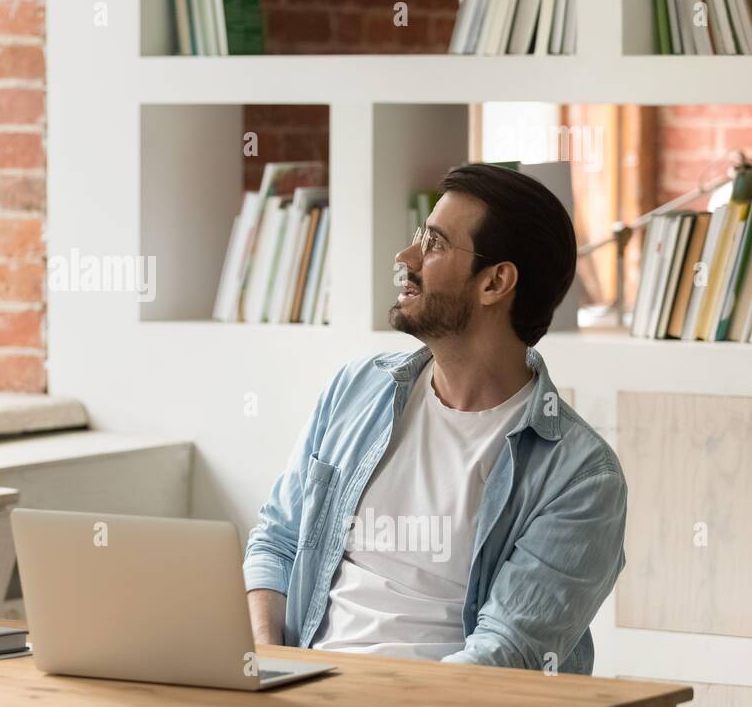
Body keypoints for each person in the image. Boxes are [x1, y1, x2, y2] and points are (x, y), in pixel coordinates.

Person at [243, 163, 627, 674]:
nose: (406, 259)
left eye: (436, 244)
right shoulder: (356, 391)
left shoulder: (581, 477)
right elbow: (278, 540)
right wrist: (268, 665)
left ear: (495, 282)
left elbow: (506, 652)